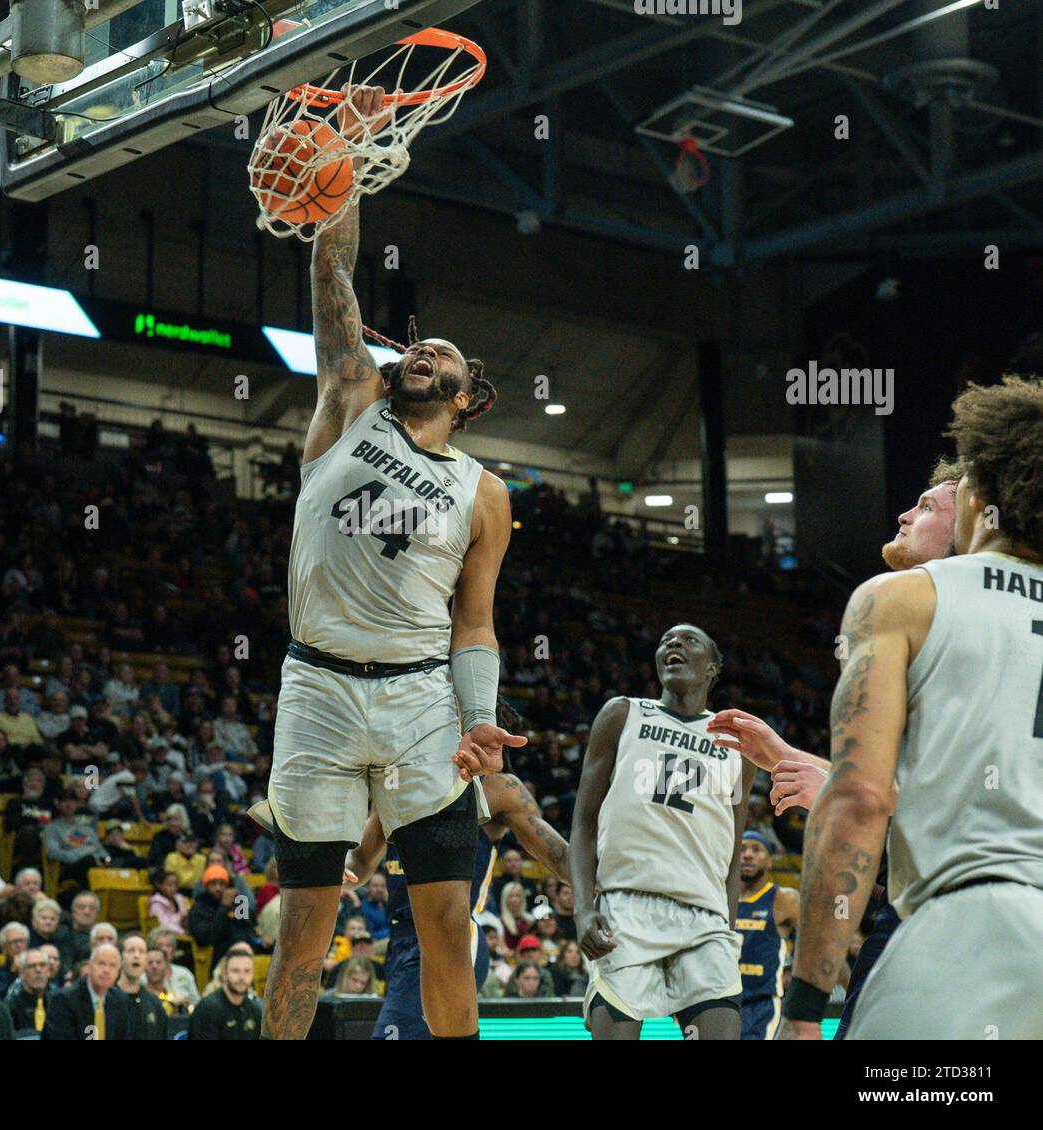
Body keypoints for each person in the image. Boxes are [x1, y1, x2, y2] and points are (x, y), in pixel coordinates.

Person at [262, 84, 522, 1041]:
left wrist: (483, 719)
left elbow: (477, 622)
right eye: (417, 346)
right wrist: (348, 156)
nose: (423, 353)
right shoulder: (348, 400)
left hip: (422, 702)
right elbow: (335, 271)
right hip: (319, 691)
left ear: (469, 396)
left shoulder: (484, 492)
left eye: (442, 356)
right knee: (306, 935)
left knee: (446, 926)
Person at [788, 377, 1043, 1040]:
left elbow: (858, 805)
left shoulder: (902, 599)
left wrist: (803, 1010)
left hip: (967, 931)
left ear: (978, 495)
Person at [707, 462, 962, 1038]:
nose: (904, 514)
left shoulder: (905, 611)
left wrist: (803, 1004)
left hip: (946, 913)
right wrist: (785, 758)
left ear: (971, 519)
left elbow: (900, 797)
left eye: (926, 506)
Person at [571, 624, 758, 1040]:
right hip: (625, 908)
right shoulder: (623, 714)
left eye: (689, 640)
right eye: (665, 641)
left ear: (712, 667)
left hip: (704, 919)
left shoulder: (737, 744)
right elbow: (583, 823)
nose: (673, 644)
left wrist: (727, 926)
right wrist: (583, 909)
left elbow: (732, 848)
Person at [342, 707, 570, 1040]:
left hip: (452, 933)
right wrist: (334, 872)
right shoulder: (396, 780)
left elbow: (561, 857)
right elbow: (360, 861)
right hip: (401, 939)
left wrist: (610, 885)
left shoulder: (497, 788)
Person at [735, 831, 798, 1040]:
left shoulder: (783, 899)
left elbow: (813, 940)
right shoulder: (720, 897)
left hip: (760, 1004)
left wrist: (792, 969)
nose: (748, 855)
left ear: (769, 861)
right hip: (720, 1001)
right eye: (742, 849)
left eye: (756, 849)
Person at [43, 942, 128, 1040]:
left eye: (112, 965)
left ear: (118, 971)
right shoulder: (64, 1000)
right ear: (90, 966)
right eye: (101, 963)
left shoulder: (121, 1000)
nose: (106, 970)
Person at [188, 864, 256, 967]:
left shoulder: (238, 902)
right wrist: (224, 907)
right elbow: (206, 938)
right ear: (206, 886)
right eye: (213, 884)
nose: (218, 888)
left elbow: (247, 929)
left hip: (242, 949)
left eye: (221, 884)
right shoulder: (199, 907)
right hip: (215, 954)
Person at [187, 949, 261, 1040]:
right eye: (235, 971)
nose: (242, 977)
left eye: (247, 971)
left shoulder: (255, 1010)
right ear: (224, 973)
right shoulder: (208, 1009)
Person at [116, 931, 167, 1040]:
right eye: (131, 951)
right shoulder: (107, 999)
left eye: (142, 951)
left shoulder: (154, 1002)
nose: (136, 955)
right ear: (120, 958)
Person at [5, 947, 52, 1037]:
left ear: (48, 971)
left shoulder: (57, 1004)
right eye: (31, 966)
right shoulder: (10, 1007)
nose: (38, 970)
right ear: (21, 974)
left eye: (42, 965)